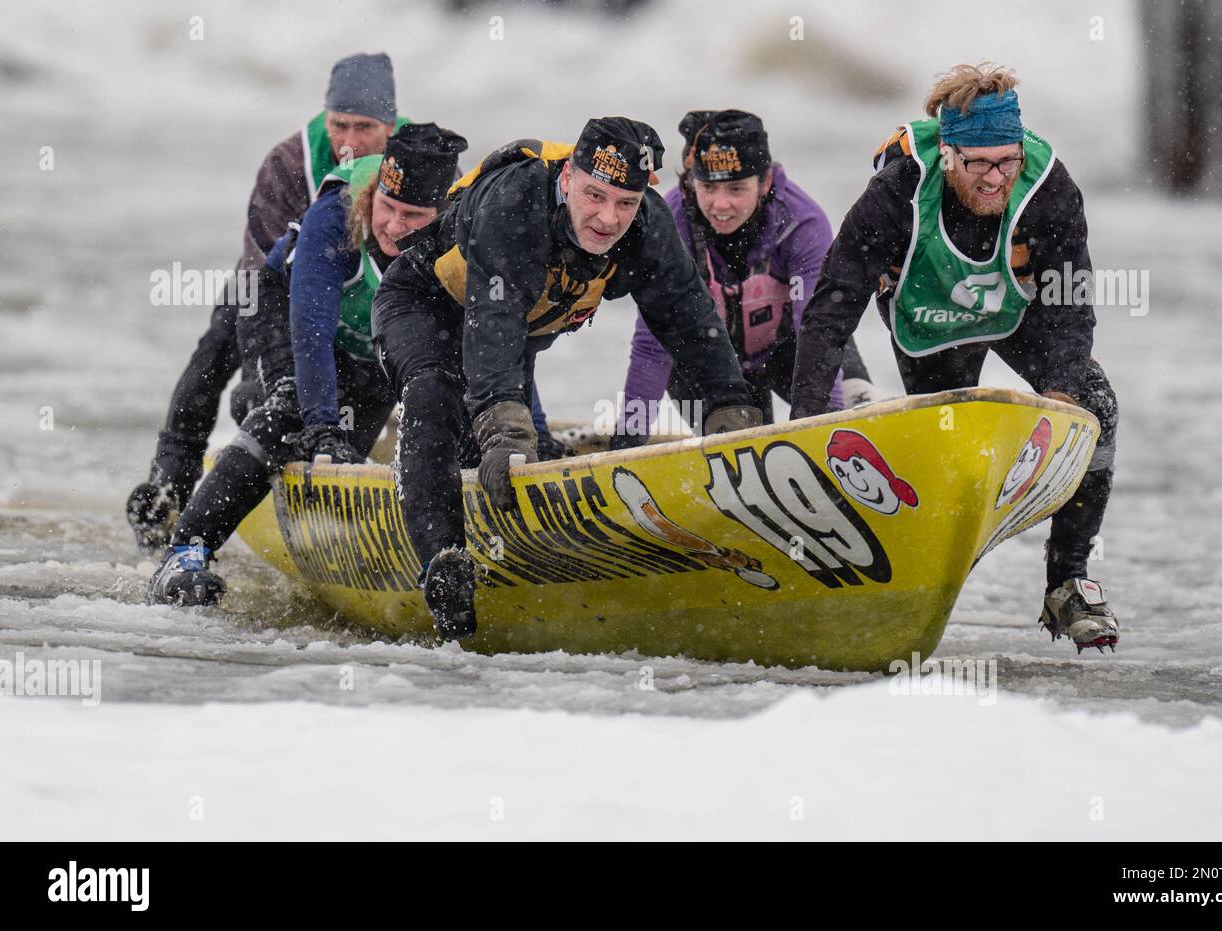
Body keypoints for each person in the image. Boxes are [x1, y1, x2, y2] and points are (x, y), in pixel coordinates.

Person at [372, 118, 761, 641]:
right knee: (437, 395)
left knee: (493, 446)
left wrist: (733, 414)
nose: (607, 218)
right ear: (568, 178)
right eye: (595, 196)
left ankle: (499, 524)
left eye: (625, 203)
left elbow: (690, 321)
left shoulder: (647, 226)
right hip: (425, 306)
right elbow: (494, 326)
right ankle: (444, 571)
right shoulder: (514, 204)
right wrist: (505, 432)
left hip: (519, 329)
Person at [789, 63, 1120, 652]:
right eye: (978, 164)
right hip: (929, 317)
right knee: (944, 449)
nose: (995, 178)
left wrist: (1063, 393)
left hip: (1018, 310)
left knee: (1096, 405)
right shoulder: (895, 192)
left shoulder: (1047, 187)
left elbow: (1071, 303)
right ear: (947, 157)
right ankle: (906, 587)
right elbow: (834, 305)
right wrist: (808, 414)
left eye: (1007, 161)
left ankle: (1068, 580)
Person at [148, 123, 468, 606]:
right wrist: (322, 425)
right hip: (278, 308)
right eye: (388, 208)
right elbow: (312, 331)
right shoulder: (337, 216)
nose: (396, 226)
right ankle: (185, 555)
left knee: (368, 443)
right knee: (289, 414)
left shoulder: (463, 241)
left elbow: (490, 344)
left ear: (442, 215)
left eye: (414, 216)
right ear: (372, 196)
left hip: (369, 346)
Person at [127, 52, 406, 551]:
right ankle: (170, 481)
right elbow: (267, 292)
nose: (347, 141)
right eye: (338, 124)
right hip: (274, 277)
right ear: (324, 117)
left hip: (362, 288)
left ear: (391, 124)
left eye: (363, 128)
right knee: (217, 353)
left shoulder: (416, 161)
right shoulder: (290, 161)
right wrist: (280, 385)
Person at [613, 109, 873, 448]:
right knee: (745, 445)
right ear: (691, 182)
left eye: (736, 189)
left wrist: (826, 427)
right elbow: (653, 346)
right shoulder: (668, 224)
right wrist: (627, 441)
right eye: (708, 187)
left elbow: (818, 332)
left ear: (764, 182)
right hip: (710, 362)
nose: (721, 205)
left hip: (789, 346)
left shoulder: (802, 222)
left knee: (845, 387)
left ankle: (856, 407)